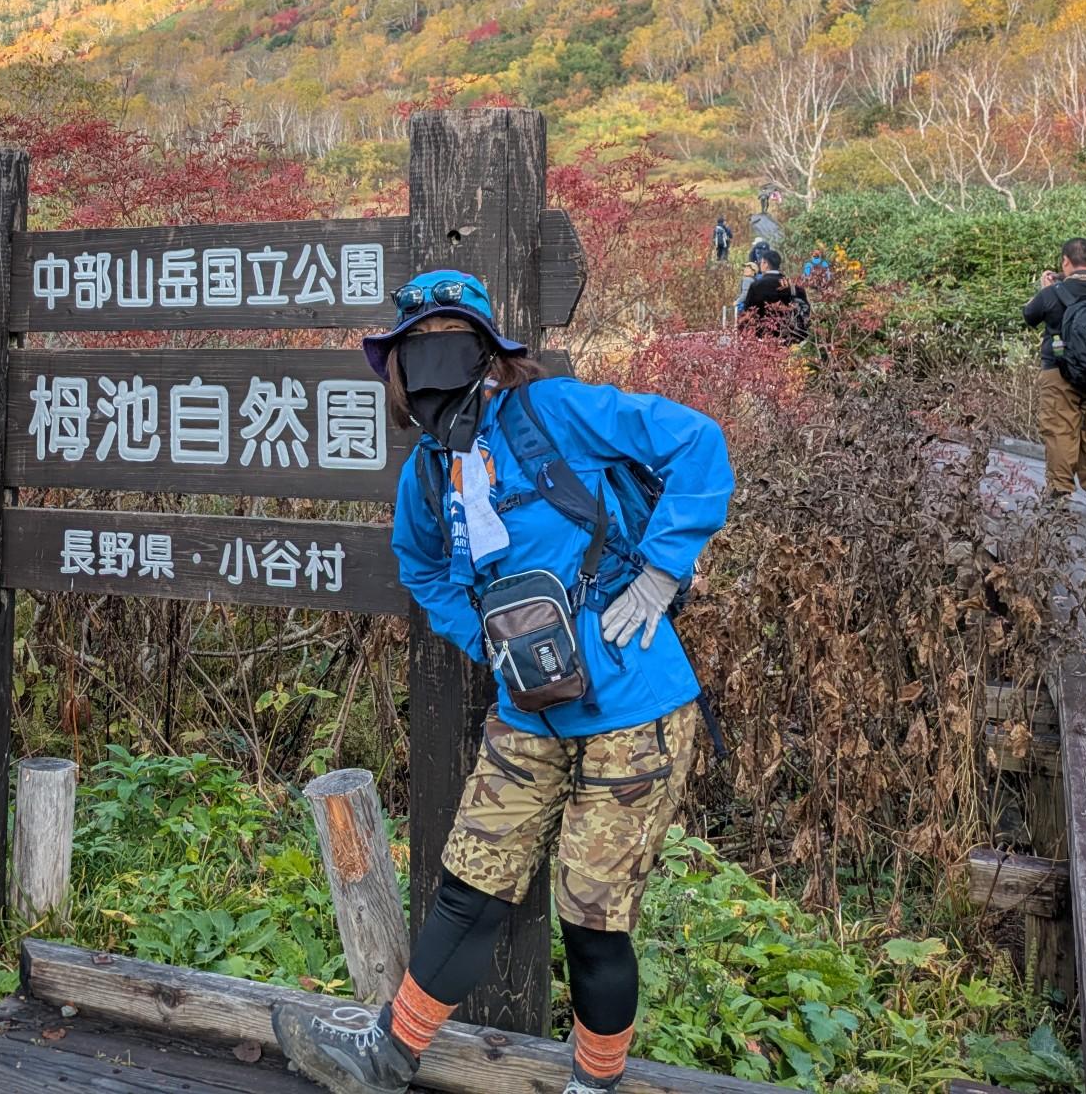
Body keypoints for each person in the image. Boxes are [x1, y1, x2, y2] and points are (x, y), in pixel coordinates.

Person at [271, 270, 733, 1094]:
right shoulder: (428, 474)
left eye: (450, 343)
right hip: (528, 708)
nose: (435, 364)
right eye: (416, 350)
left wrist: (661, 572)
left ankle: (593, 1086)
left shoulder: (557, 412)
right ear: (398, 372)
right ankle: (387, 1057)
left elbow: (698, 441)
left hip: (637, 705)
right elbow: (422, 565)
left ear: (488, 354)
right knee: (470, 887)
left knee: (592, 920)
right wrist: (486, 638)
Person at [1021, 238, 1086, 515]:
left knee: (1059, 430)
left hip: (1058, 371)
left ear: (1065, 262)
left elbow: (1029, 316)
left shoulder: (1053, 292)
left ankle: (1059, 491)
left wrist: (1046, 291)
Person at [736, 246, 810, 343]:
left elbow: (748, 311)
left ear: (766, 264)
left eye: (761, 262)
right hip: (790, 335)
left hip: (763, 337)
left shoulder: (756, 285)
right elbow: (805, 308)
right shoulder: (792, 284)